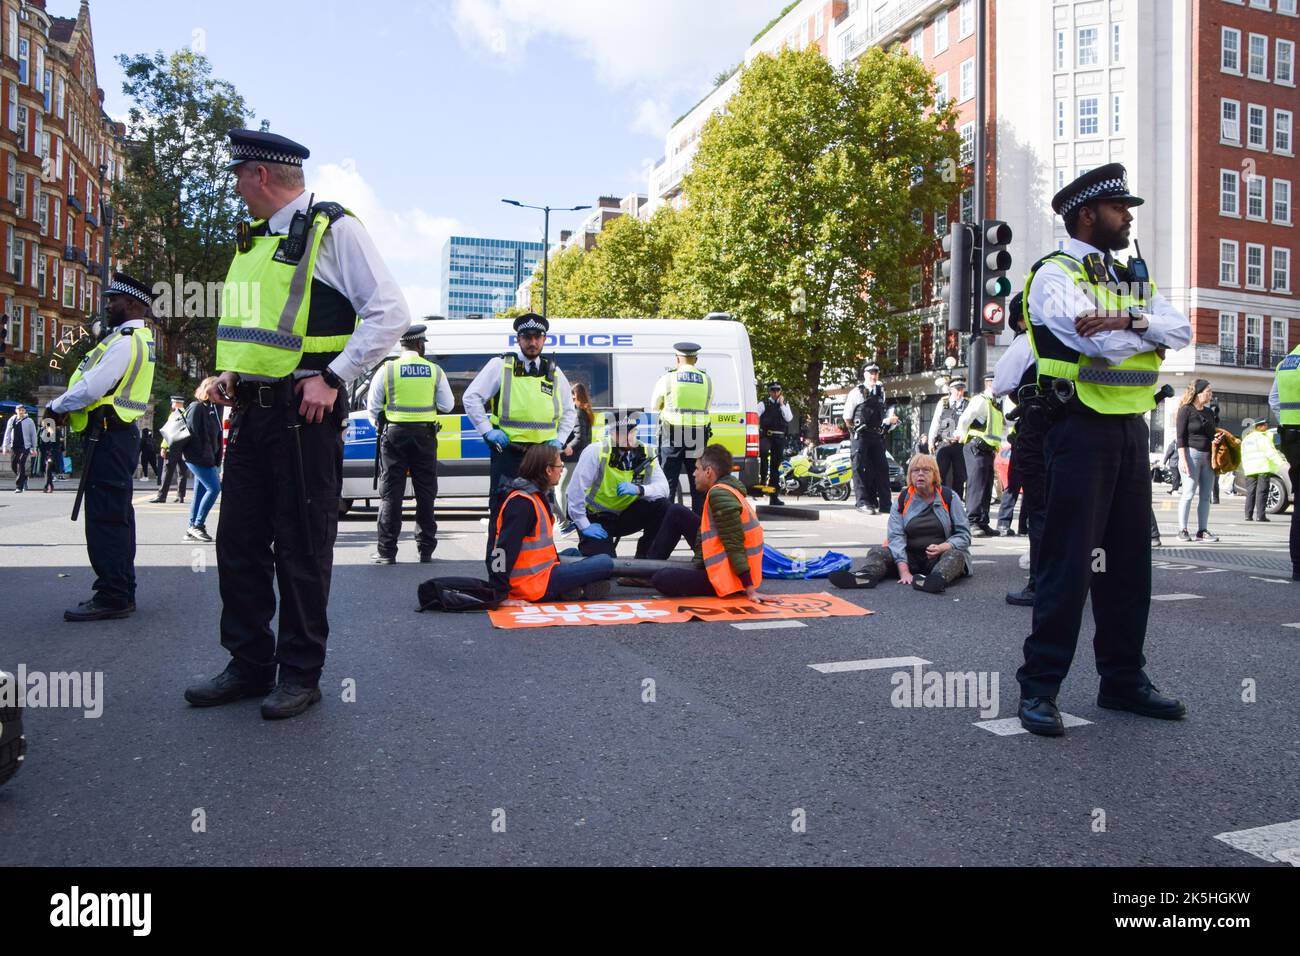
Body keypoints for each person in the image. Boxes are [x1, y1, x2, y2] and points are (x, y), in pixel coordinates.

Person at [185, 129, 409, 721]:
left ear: (261, 174)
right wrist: (231, 375)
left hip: (303, 417)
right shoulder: (255, 240)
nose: (234, 187)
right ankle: (249, 663)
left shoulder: (334, 228)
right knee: (238, 544)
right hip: (253, 413)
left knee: (302, 550)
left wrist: (333, 377)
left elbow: (391, 313)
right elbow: (260, 331)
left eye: (238, 175)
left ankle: (300, 673)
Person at [1016, 162, 1192, 736]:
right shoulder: (1053, 274)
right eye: (1121, 209)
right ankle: (1040, 688)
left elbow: (1183, 329)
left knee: (1127, 568)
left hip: (1129, 432)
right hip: (1077, 428)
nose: (1129, 217)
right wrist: (1144, 328)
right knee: (1069, 564)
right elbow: (1106, 347)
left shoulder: (1129, 275)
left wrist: (1128, 315)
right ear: (1088, 214)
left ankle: (1122, 681)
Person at [47, 273, 158, 621]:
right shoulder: (139, 338)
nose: (108, 305)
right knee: (118, 516)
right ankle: (121, 589)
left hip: (107, 436)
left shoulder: (124, 341)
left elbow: (92, 388)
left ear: (133, 304)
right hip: (117, 435)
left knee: (106, 518)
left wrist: (57, 405)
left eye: (114, 300)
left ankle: (112, 595)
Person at [464, 312, 576, 539]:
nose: (533, 342)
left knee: (540, 514)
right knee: (503, 513)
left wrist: (560, 440)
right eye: (527, 337)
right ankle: (499, 571)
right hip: (509, 454)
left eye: (538, 337)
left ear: (544, 339)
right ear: (518, 339)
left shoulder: (554, 371)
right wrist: (488, 431)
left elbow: (569, 411)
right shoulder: (500, 365)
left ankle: (538, 569)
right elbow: (471, 397)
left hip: (542, 455)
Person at [367, 324, 453, 564]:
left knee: (390, 495)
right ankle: (425, 550)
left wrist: (381, 427)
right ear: (420, 344)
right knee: (425, 494)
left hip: (393, 436)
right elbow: (446, 405)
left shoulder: (388, 370)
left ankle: (386, 552)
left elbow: (372, 407)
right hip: (425, 437)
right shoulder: (434, 371)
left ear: (402, 344)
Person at [490, 443, 613, 604]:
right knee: (605, 562)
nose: (562, 470)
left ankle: (573, 589)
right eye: (559, 466)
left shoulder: (533, 495)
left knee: (573, 554)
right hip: (532, 584)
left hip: (541, 571)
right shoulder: (522, 504)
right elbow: (502, 550)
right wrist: (500, 595)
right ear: (548, 470)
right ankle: (575, 587)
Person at [830, 453, 971, 594]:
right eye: (915, 470)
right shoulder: (902, 500)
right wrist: (904, 571)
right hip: (909, 558)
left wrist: (943, 547)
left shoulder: (949, 497)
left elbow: (964, 535)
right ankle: (865, 576)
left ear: (935, 475)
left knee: (956, 555)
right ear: (910, 475)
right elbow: (896, 536)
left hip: (938, 558)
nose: (920, 474)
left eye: (926, 470)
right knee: (877, 552)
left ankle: (935, 580)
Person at [993, 293, 1049, 606]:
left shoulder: (1027, 342)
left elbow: (1001, 383)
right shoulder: (1067, 339)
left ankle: (1038, 586)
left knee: (1039, 512)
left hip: (1036, 431)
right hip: (1071, 436)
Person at [567, 408, 670, 559]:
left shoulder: (647, 452)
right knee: (604, 564)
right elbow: (575, 492)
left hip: (624, 515)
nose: (629, 437)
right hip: (596, 519)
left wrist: (639, 490)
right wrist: (584, 524)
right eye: (622, 433)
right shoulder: (596, 451)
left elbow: (664, 489)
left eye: (632, 432)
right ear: (612, 433)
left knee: (663, 506)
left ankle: (645, 561)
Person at [651, 342, 714, 513]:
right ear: (696, 359)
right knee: (698, 484)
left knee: (668, 482)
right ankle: (699, 529)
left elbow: (655, 405)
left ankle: (666, 524)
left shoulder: (667, 379)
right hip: (698, 434)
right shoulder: (706, 379)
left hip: (672, 433)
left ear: (677, 359)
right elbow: (707, 404)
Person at [844, 363, 898, 515]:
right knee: (860, 467)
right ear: (865, 374)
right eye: (871, 373)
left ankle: (886, 504)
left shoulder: (881, 391)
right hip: (860, 434)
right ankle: (862, 502)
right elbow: (847, 416)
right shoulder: (857, 392)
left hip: (876, 434)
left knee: (882, 468)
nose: (874, 376)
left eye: (876, 373)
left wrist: (889, 420)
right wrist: (854, 432)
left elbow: (882, 414)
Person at [956, 373, 1002, 536]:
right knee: (976, 486)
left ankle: (983, 522)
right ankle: (972, 522)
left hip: (988, 450)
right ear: (990, 384)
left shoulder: (995, 403)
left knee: (986, 486)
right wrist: (961, 435)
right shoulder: (981, 400)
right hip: (976, 447)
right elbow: (964, 419)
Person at [1268, 342, 1299, 579]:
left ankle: (1298, 564)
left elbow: (1274, 400)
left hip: (1290, 437)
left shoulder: (1287, 361)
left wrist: (1289, 423)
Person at [1175, 379, 1221, 543]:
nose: (1210, 394)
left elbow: (1211, 434)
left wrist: (1215, 440)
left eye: (1211, 391)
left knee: (1205, 496)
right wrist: (1183, 460)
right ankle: (1182, 529)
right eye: (1208, 391)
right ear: (1198, 393)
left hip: (1208, 456)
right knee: (1188, 493)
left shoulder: (1209, 412)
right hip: (1191, 454)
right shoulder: (1185, 410)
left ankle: (1202, 531)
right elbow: (1180, 438)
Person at [181, 377, 225, 542]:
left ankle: (192, 527)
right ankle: (197, 525)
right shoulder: (197, 407)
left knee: (200, 492)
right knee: (214, 489)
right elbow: (194, 436)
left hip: (206, 458)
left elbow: (215, 436)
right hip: (197, 458)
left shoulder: (211, 408)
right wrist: (207, 458)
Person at [558, 381, 595, 524]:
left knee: (560, 488)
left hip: (573, 457)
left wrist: (568, 448)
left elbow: (579, 437)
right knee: (575, 489)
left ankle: (563, 522)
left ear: (575, 395)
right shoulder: (583, 410)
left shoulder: (577, 412)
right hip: (578, 456)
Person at [928, 378, 968, 496]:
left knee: (959, 475)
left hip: (960, 444)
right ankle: (939, 498)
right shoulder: (943, 402)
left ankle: (957, 501)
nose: (960, 393)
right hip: (944, 443)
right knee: (940, 473)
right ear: (951, 390)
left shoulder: (967, 404)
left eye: (962, 390)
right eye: (957, 390)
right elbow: (935, 422)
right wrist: (931, 441)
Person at [1241, 418, 1285, 522]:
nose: (1267, 427)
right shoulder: (1262, 438)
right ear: (1259, 427)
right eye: (1265, 425)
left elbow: (1242, 454)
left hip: (1250, 469)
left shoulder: (1247, 439)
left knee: (1250, 492)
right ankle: (1260, 516)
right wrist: (1282, 464)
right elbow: (1271, 452)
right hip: (1262, 468)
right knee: (1262, 492)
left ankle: (1248, 515)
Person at [758, 381, 793, 505]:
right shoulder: (763, 404)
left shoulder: (784, 404)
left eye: (778, 390)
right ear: (769, 391)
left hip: (779, 439)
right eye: (773, 390)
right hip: (767, 436)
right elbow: (754, 416)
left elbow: (789, 418)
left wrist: (782, 404)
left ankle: (774, 496)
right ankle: (762, 479)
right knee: (762, 453)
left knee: (775, 468)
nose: (776, 393)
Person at [150, 396, 189, 504]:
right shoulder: (187, 414)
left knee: (167, 472)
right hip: (184, 448)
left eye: (172, 403)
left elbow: (168, 433)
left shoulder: (174, 415)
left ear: (176, 403)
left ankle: (162, 495)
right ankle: (180, 496)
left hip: (172, 447)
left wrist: (164, 447)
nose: (171, 405)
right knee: (182, 472)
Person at [2, 404, 36, 494]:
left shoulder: (29, 421)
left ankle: (19, 487)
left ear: (25, 411)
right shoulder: (12, 420)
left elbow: (33, 435)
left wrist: (34, 448)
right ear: (16, 411)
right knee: (13, 465)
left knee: (21, 463)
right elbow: (7, 433)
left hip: (25, 446)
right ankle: (24, 478)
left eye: (22, 410)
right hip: (14, 446)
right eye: (19, 410)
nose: (21, 412)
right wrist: (4, 446)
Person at [39, 419, 60, 493]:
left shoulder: (55, 431)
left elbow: (57, 443)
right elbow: (40, 442)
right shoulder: (42, 430)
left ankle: (45, 486)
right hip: (45, 453)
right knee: (48, 470)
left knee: (48, 468)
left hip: (51, 453)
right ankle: (51, 485)